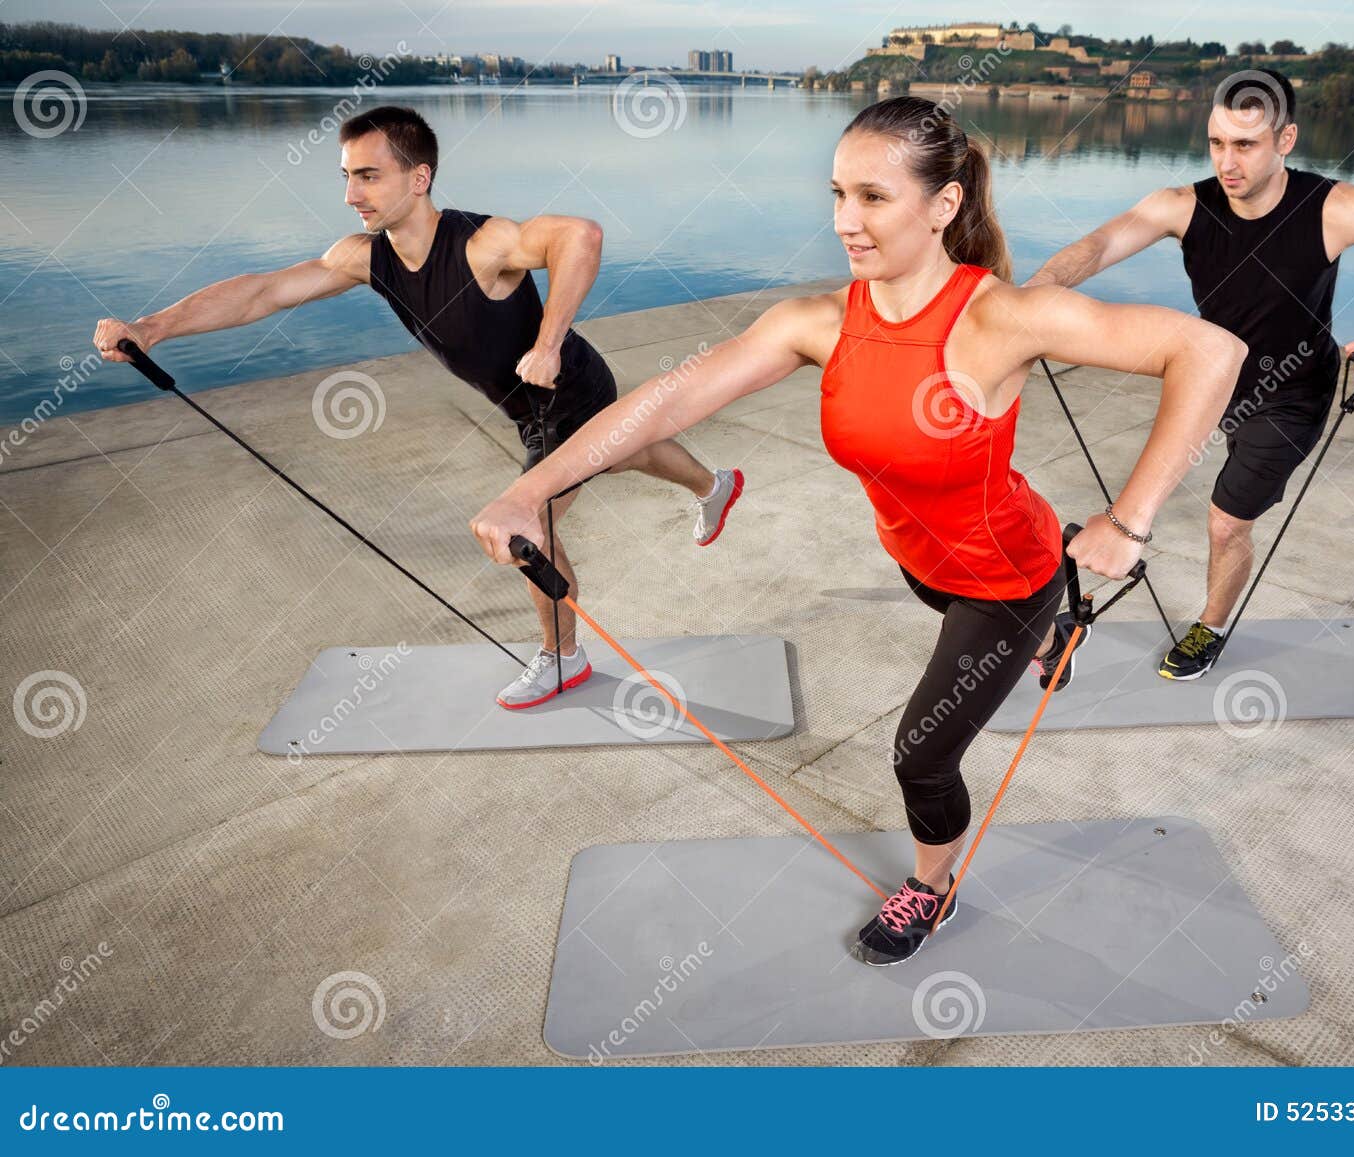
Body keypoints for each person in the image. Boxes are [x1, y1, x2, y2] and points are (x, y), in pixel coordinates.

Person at [470, 96, 1243, 966]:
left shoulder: (1001, 319)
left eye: (873, 198)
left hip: (1003, 575)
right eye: (838, 194)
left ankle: (935, 884)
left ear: (943, 206)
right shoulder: (821, 323)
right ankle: (1046, 619)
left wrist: (1129, 520)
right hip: (921, 561)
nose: (846, 221)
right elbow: (663, 402)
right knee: (948, 609)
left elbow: (1211, 353)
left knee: (921, 754)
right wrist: (530, 489)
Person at [92, 105, 744, 710]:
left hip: (566, 391)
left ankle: (562, 658)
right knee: (622, 451)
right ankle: (715, 485)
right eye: (348, 177)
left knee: (527, 526)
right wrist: (152, 328)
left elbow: (582, 234)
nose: (352, 195)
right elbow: (262, 292)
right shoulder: (366, 257)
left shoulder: (483, 246)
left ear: (420, 176)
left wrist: (548, 342)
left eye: (370, 176)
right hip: (532, 407)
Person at [1026, 69, 1354, 680]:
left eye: (1245, 145)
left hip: (1291, 394)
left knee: (1226, 522)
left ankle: (1211, 628)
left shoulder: (1335, 209)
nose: (1227, 161)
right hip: (1216, 382)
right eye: (1217, 143)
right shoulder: (1182, 205)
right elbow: (1097, 246)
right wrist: (1035, 295)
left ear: (1286, 140)